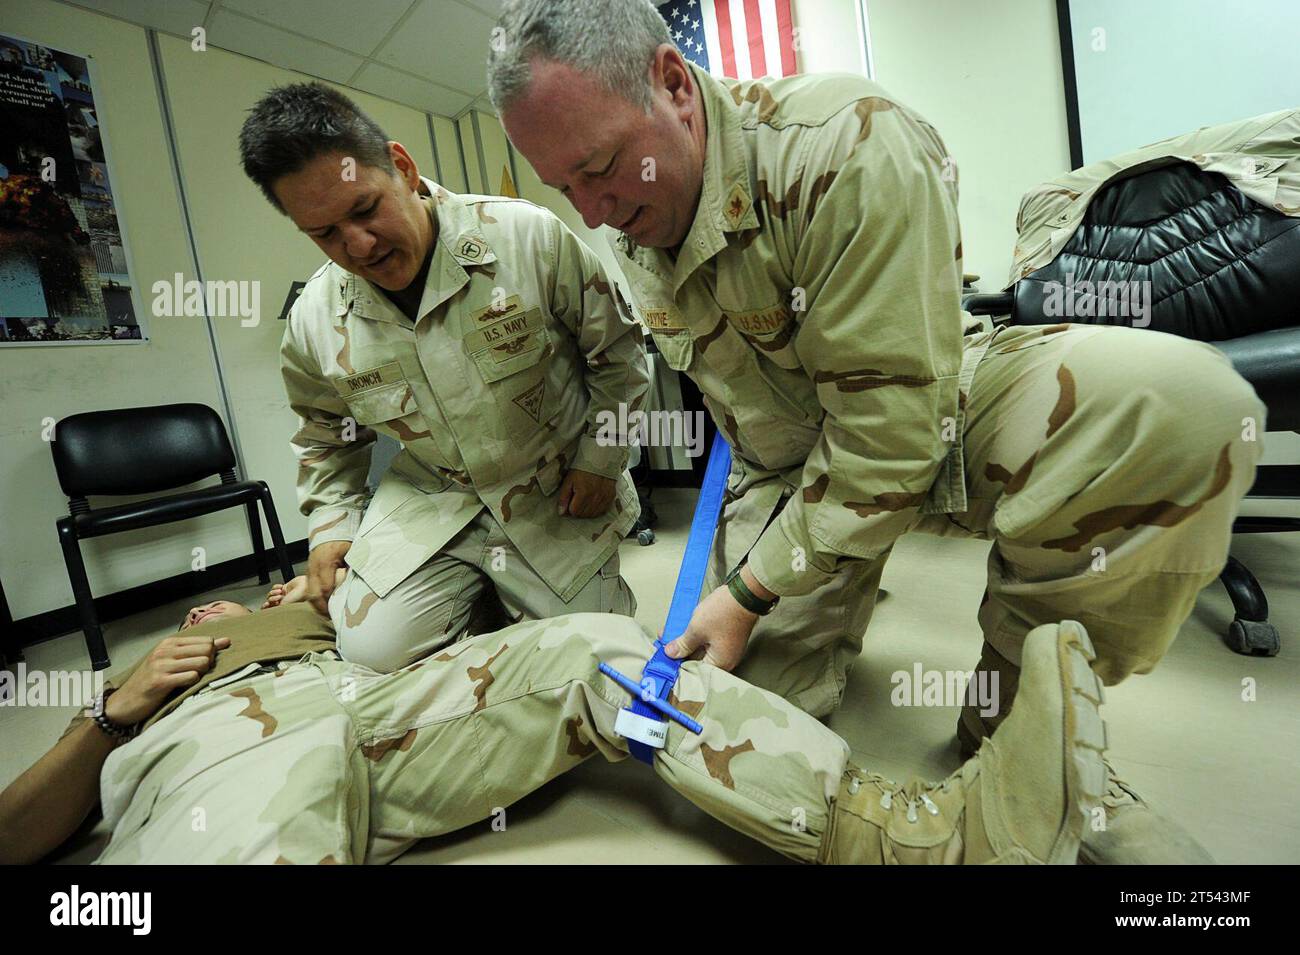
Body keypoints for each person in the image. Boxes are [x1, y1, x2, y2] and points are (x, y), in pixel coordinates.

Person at [486, 0, 1272, 862]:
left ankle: (1025, 735)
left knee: (1177, 408)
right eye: (564, 188)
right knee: (721, 720)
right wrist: (761, 580)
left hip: (932, 412)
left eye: (600, 169)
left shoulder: (848, 144)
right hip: (787, 471)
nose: (592, 213)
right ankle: (835, 604)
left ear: (673, 84)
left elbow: (893, 438)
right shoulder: (628, 221)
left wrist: (750, 590)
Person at [0, 584, 1107, 865]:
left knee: (590, 642)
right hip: (227, 742)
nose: (209, 615)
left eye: (220, 610)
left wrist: (312, 600)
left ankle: (915, 837)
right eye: (199, 613)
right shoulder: (144, 690)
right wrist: (109, 711)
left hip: (369, 708)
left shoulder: (300, 613)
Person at [238, 83, 650, 673]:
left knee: (596, 658)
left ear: (402, 168)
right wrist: (331, 527)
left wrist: (600, 460)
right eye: (325, 233)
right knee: (370, 653)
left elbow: (619, 355)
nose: (357, 244)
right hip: (433, 497)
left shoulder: (526, 239)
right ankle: (479, 594)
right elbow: (328, 438)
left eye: (364, 209)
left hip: (551, 483)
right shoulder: (315, 320)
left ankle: (498, 599)